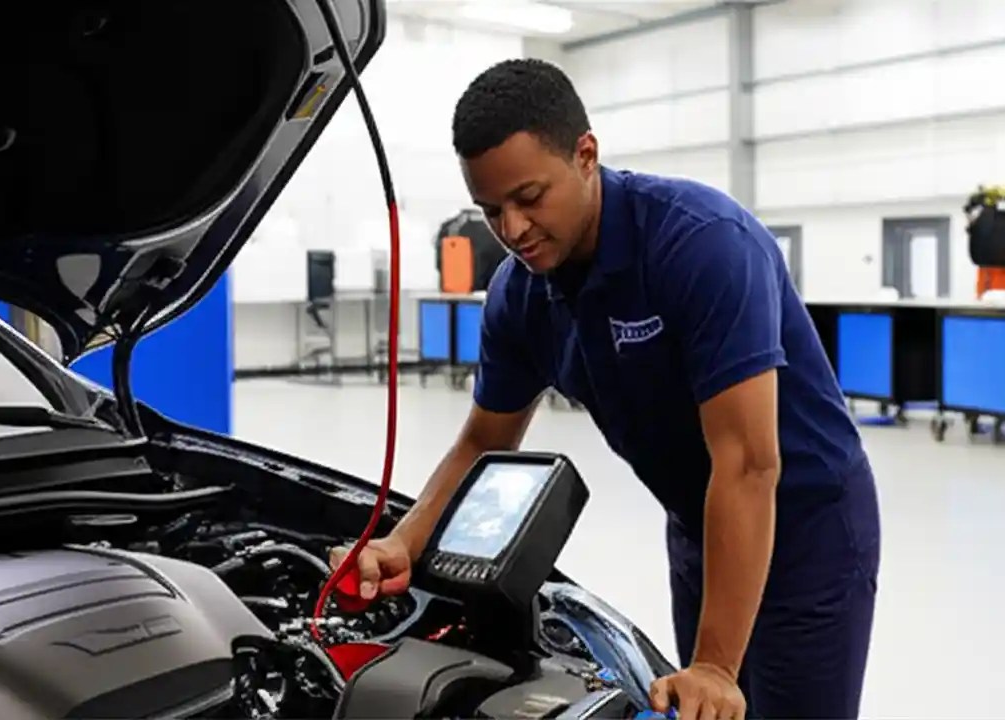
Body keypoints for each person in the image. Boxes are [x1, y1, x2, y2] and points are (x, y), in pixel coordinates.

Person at [329, 58, 881, 720]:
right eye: (491, 211)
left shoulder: (700, 246)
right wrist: (402, 541)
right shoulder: (520, 294)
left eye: (530, 198)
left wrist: (713, 664)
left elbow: (749, 463)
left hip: (806, 522)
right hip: (701, 524)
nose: (512, 232)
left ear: (586, 154)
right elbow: (484, 438)